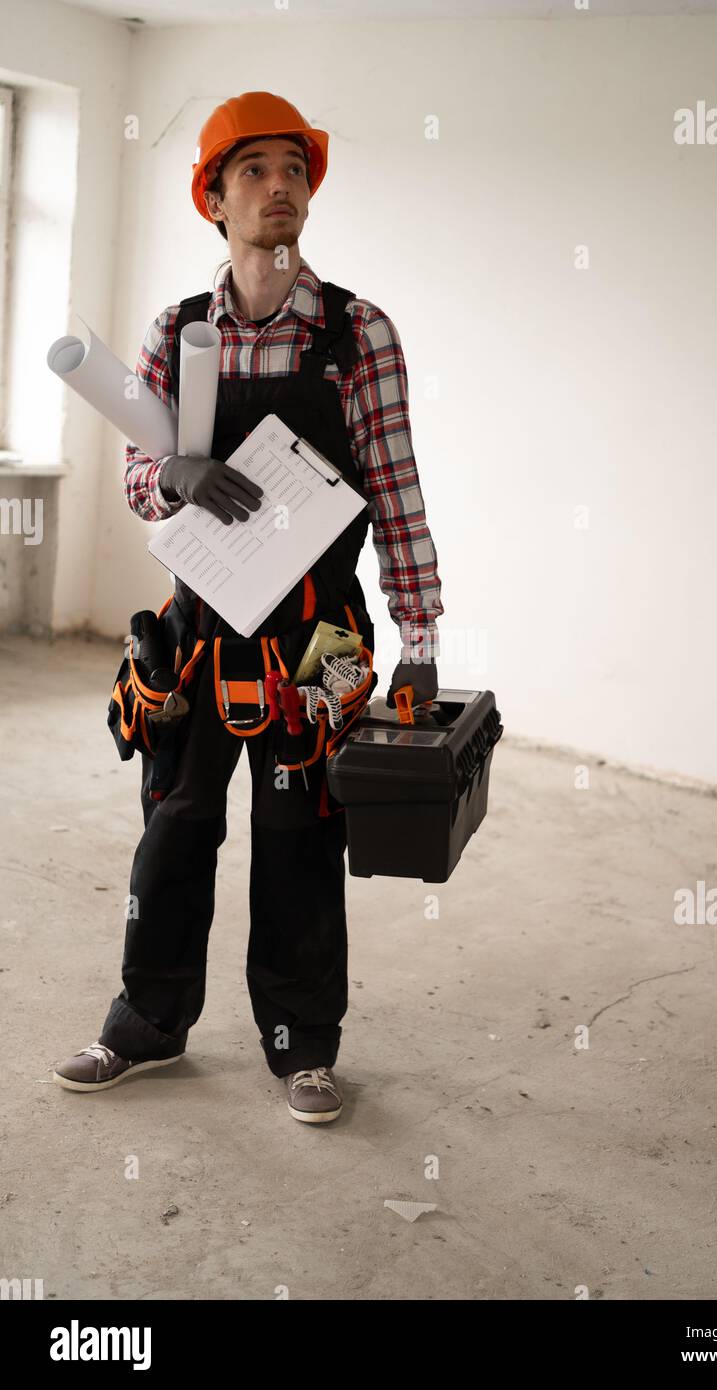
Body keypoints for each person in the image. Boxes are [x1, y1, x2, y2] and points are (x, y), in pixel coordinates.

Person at [52, 92, 444, 1124]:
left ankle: (301, 1045)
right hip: (198, 628)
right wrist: (170, 475)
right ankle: (146, 1021)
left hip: (323, 634)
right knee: (174, 829)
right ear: (215, 199)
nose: (281, 186)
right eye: (256, 169)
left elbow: (396, 485)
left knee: (300, 831)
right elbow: (136, 482)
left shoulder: (357, 333)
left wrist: (420, 633)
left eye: (295, 169)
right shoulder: (177, 331)